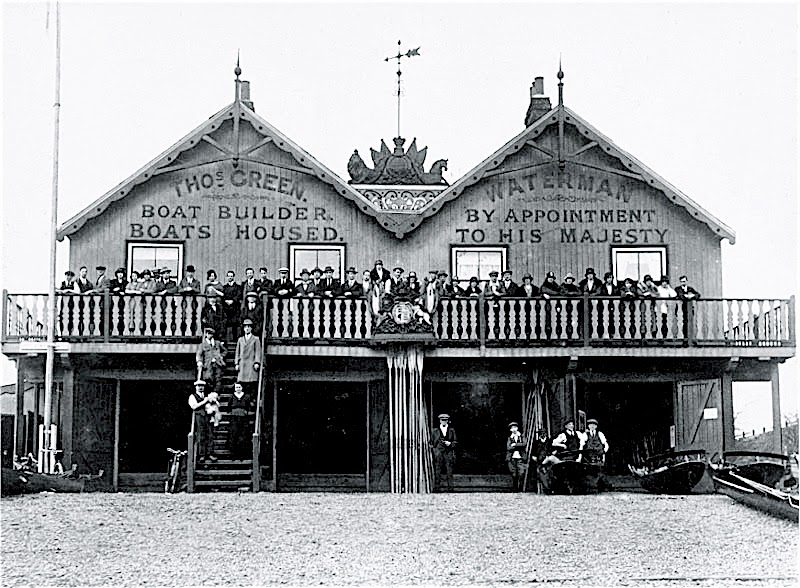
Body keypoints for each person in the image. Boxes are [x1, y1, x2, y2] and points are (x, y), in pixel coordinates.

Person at [188, 379, 216, 463]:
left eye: (202, 386)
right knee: (201, 435)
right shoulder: (192, 396)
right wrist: (204, 402)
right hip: (199, 416)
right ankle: (202, 455)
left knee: (210, 434)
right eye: (199, 386)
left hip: (208, 416)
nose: (200, 388)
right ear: (196, 387)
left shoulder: (207, 395)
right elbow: (194, 406)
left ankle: (210, 453)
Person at [430, 413, 457, 492]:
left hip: (448, 452)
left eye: (445, 420)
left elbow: (455, 441)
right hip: (438, 452)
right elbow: (431, 442)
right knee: (437, 470)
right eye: (442, 420)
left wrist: (450, 443)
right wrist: (435, 450)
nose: (444, 422)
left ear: (448, 421)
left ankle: (450, 489)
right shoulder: (434, 431)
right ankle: (437, 488)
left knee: (449, 470)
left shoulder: (452, 430)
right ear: (440, 421)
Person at [235, 318, 261, 397]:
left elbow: (258, 351)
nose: (247, 328)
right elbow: (237, 352)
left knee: (251, 384)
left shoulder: (256, 339)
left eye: (249, 327)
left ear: (251, 328)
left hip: (251, 363)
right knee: (243, 384)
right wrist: (236, 363)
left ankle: (251, 402)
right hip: (242, 364)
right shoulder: (240, 340)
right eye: (245, 327)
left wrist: (257, 362)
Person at [196, 327, 226, 395]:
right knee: (209, 379)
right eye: (208, 334)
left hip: (217, 363)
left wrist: (221, 356)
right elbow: (199, 355)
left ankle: (217, 394)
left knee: (218, 379)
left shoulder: (217, 343)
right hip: (208, 365)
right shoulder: (202, 345)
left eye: (211, 334)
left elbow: (225, 351)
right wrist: (199, 361)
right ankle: (210, 394)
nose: (210, 335)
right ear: (206, 334)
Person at [228, 382, 252, 460]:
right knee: (234, 435)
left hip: (243, 419)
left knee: (243, 436)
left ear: (242, 388)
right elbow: (229, 406)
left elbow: (248, 406)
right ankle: (234, 454)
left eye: (239, 387)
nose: (238, 389)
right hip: (234, 418)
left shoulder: (246, 396)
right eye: (236, 387)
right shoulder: (232, 396)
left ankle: (242, 455)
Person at [506, 421, 528, 492]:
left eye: (515, 427)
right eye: (512, 428)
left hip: (520, 457)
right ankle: (515, 488)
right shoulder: (510, 438)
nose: (514, 429)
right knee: (514, 473)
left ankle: (520, 487)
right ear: (510, 430)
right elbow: (508, 448)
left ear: (517, 428)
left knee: (521, 473)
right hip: (512, 457)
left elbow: (524, 444)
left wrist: (515, 445)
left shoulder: (521, 436)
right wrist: (518, 446)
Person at [222, 270, 242, 340]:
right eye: (228, 276)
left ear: (233, 277)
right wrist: (226, 301)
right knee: (225, 324)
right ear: (227, 277)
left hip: (235, 308)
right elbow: (223, 296)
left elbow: (239, 295)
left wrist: (233, 301)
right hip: (226, 308)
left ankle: (235, 340)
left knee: (235, 324)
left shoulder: (238, 287)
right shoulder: (224, 287)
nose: (230, 277)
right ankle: (225, 340)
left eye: (231, 276)